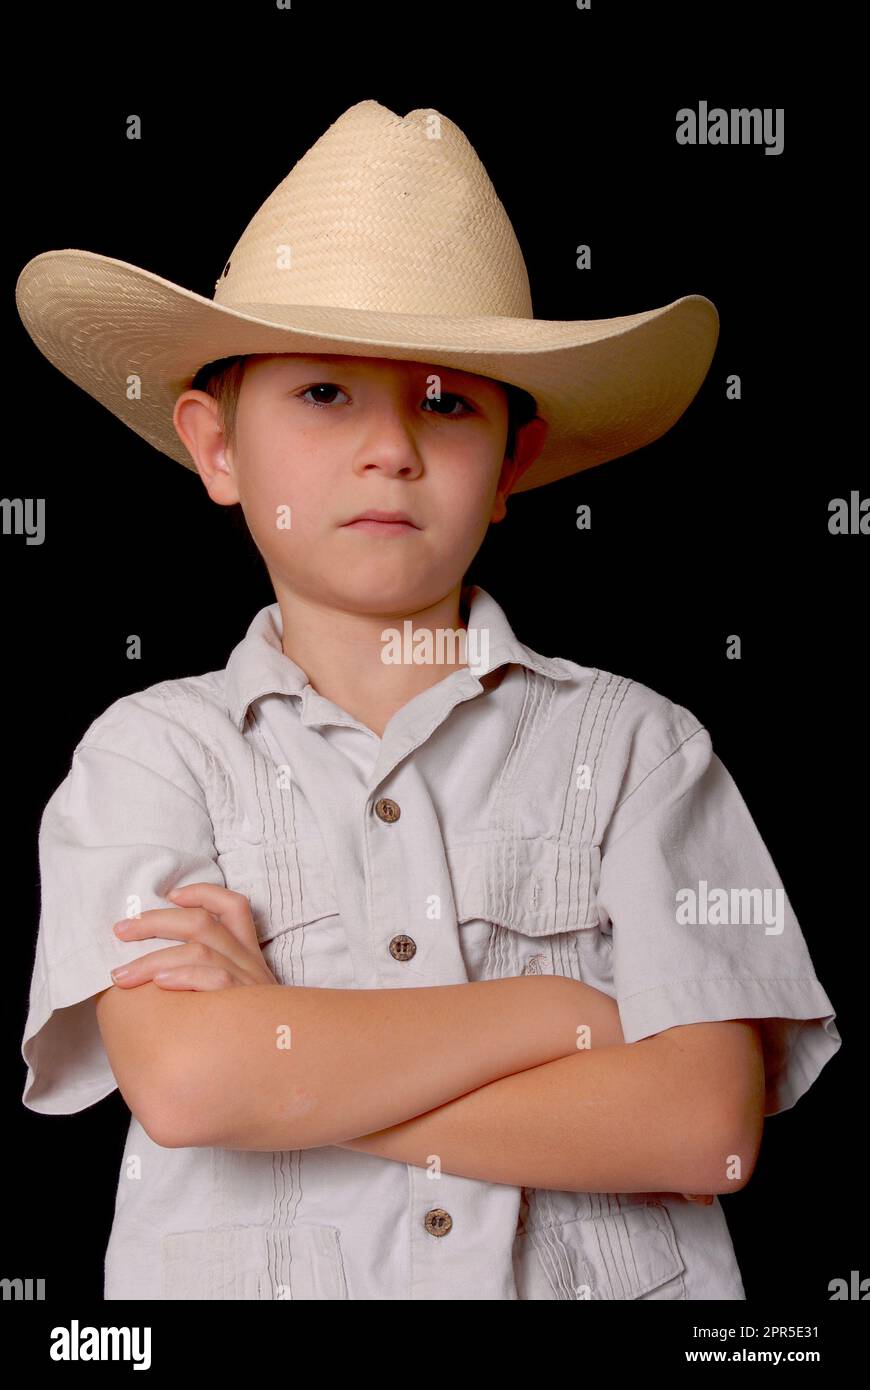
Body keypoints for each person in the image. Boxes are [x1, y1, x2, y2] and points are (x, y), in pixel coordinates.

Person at [16, 100, 840, 1300]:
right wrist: (562, 1013)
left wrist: (289, 1051)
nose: (391, 446)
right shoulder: (151, 754)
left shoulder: (640, 749)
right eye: (323, 394)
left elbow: (701, 1124)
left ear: (510, 462)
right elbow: (196, 1086)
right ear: (215, 446)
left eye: (447, 401)